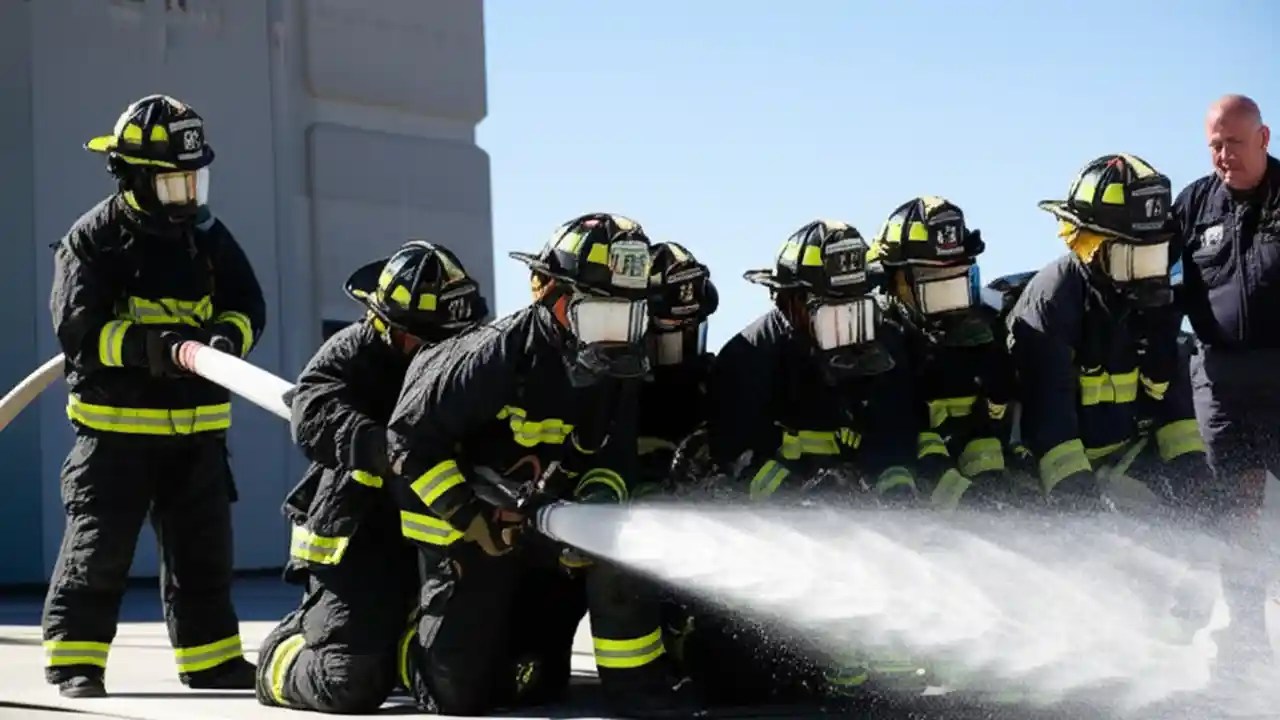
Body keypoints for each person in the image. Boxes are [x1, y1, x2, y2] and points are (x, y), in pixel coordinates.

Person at [384, 213, 698, 718]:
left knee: (540, 678)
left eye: (626, 318)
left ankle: (639, 693)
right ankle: (412, 644)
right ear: (551, 295)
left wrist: (595, 512)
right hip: (464, 533)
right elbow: (408, 441)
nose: (613, 335)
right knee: (460, 697)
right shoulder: (492, 355)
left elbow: (612, 461)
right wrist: (469, 517)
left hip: (542, 533)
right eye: (600, 315)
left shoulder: (617, 366)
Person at [42, 94, 266, 698]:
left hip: (196, 433)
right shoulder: (93, 241)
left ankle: (210, 662)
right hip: (115, 436)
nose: (188, 196)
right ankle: (75, 664)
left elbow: (249, 306)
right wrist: (149, 347)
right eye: (173, 184)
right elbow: (80, 332)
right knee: (98, 554)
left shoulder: (207, 236)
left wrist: (225, 336)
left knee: (203, 558)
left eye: (195, 179)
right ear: (134, 178)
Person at [695, 219, 926, 709]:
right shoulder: (749, 359)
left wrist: (895, 493)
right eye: (834, 311)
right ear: (793, 304)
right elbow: (737, 460)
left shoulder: (884, 348)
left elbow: (895, 439)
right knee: (738, 676)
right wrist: (805, 497)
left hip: (865, 522)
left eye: (858, 307)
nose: (851, 325)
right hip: (774, 532)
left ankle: (888, 668)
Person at [255, 241, 490, 713]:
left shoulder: (474, 361)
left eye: (447, 342)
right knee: (349, 684)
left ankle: (405, 653)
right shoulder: (351, 352)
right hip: (361, 538)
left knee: (474, 678)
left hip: (439, 534)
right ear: (386, 324)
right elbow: (314, 413)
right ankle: (282, 657)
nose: (434, 354)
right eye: (422, 342)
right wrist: (388, 448)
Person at [1006, 153, 1210, 515]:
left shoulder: (1156, 297)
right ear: (1091, 247)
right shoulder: (1056, 298)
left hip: (1123, 459)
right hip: (1051, 473)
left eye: (1154, 254)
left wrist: (1196, 481)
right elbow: (1049, 413)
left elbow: (1175, 403)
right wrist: (1079, 505)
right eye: (1131, 254)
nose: (1147, 273)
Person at [1173, 93, 1279, 670]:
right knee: (1234, 511)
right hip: (1219, 381)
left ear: (1263, 139)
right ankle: (1245, 636)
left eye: (1234, 143)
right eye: (1214, 144)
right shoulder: (1193, 204)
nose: (1223, 155)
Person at [868, 196, 1019, 510]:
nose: (951, 306)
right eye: (935, 287)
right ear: (896, 282)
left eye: (956, 283)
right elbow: (893, 443)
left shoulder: (989, 330)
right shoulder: (878, 348)